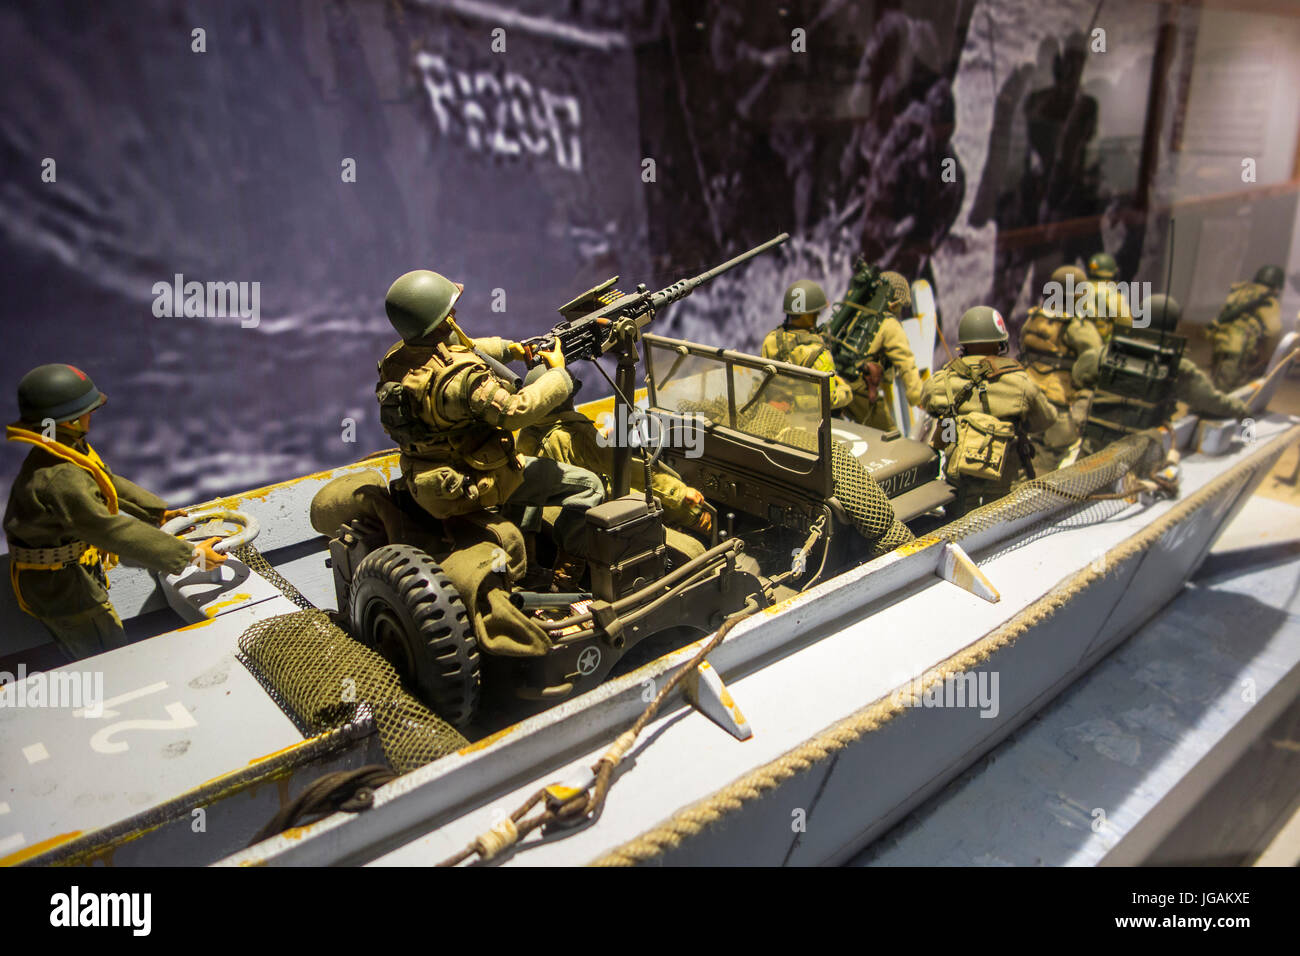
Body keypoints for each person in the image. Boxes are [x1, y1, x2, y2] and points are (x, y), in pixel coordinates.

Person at [376, 269, 604, 590]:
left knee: (526, 476)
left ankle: (528, 558)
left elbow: (455, 348)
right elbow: (514, 412)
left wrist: (509, 349)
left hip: (428, 477)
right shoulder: (463, 382)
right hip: (471, 482)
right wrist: (558, 373)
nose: (454, 314)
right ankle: (565, 580)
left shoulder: (397, 361)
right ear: (438, 320)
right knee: (588, 486)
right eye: (448, 312)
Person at [4, 364, 225, 661]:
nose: (91, 415)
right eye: (86, 411)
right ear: (68, 421)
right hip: (67, 591)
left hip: (65, 575)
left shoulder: (62, 449)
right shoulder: (60, 476)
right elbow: (110, 531)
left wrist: (155, 512)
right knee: (106, 657)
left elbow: (105, 481)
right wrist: (192, 555)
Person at [515, 367, 712, 541]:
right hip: (596, 506)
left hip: (555, 506)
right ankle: (705, 531)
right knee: (674, 505)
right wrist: (679, 492)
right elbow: (624, 469)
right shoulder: (577, 434)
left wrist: (597, 438)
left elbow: (560, 451)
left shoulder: (528, 431)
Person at [921, 307, 1060, 517]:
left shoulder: (942, 381)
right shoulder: (1019, 381)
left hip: (960, 484)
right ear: (1000, 342)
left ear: (963, 343)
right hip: (1007, 483)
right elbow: (1047, 418)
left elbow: (927, 402)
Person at [1076, 293, 1248, 456]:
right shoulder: (1178, 367)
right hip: (1141, 453)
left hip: (1094, 448)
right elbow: (1209, 401)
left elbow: (1079, 373)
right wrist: (1241, 410)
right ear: (1173, 325)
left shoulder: (1106, 353)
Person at [1018, 264, 1103, 472]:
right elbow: (1097, 364)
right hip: (1057, 407)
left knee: (1019, 457)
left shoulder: (1034, 317)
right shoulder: (1078, 328)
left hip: (1024, 399)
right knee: (1043, 466)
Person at [840, 271, 926, 431]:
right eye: (900, 305)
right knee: (890, 439)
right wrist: (918, 397)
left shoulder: (857, 313)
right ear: (894, 303)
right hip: (859, 388)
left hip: (836, 382)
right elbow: (906, 363)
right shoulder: (889, 324)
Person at [760, 280, 853, 413]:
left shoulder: (770, 340)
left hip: (773, 411)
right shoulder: (820, 354)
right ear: (812, 314)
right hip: (805, 420)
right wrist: (845, 390)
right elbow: (830, 399)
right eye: (817, 312)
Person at [1208, 265, 1284, 392]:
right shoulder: (1268, 299)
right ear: (1277, 285)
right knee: (1231, 389)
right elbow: (1274, 330)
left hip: (1221, 341)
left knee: (1215, 381)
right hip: (1241, 347)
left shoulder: (1240, 291)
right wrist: (1269, 357)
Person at [1080, 251, 1132, 342]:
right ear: (1115, 274)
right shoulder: (1115, 297)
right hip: (1102, 348)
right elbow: (1127, 326)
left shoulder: (1078, 291)